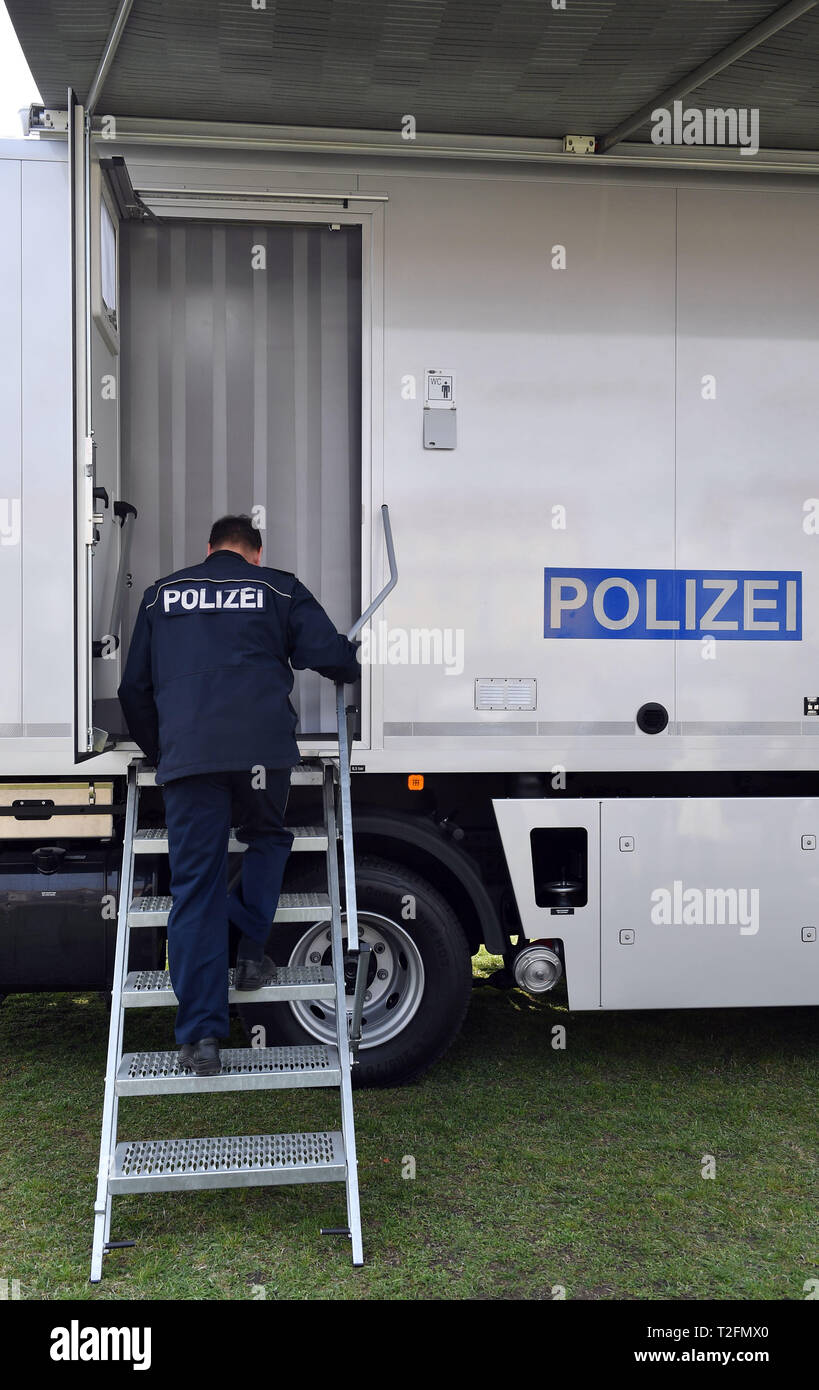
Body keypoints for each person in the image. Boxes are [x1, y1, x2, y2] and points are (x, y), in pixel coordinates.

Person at [117, 514, 361, 1077]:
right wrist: (349, 654)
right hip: (262, 755)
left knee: (195, 888)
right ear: (254, 554)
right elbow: (332, 657)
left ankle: (201, 1038)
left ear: (209, 550)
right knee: (268, 838)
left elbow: (135, 689)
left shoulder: (161, 596)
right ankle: (252, 953)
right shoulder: (277, 587)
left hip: (190, 757)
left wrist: (164, 754)